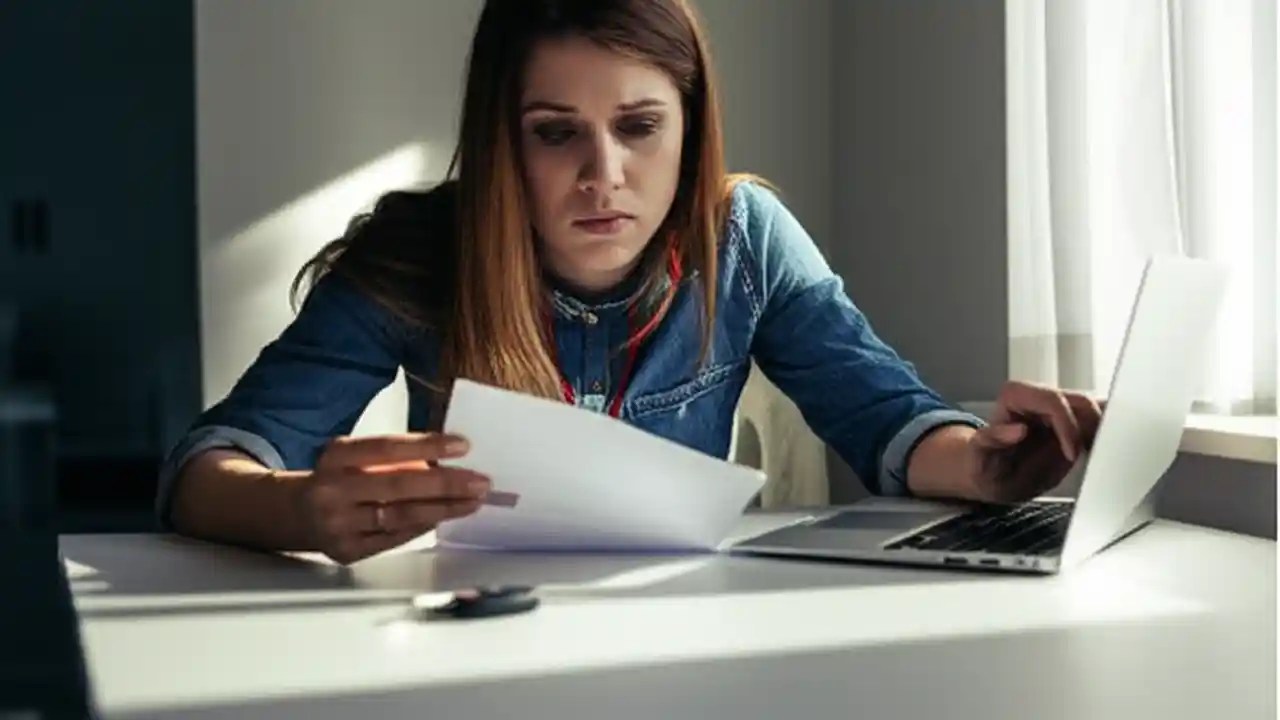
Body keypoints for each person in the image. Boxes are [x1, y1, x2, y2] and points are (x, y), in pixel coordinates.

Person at [159, 0, 1102, 565]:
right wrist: (294, 507)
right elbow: (206, 468)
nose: (603, 175)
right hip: (481, 648)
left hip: (683, 633)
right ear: (504, 140)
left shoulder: (748, 239)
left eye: (640, 127)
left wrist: (983, 463)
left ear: (689, 129)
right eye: (556, 131)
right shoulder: (417, 254)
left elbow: (886, 415)